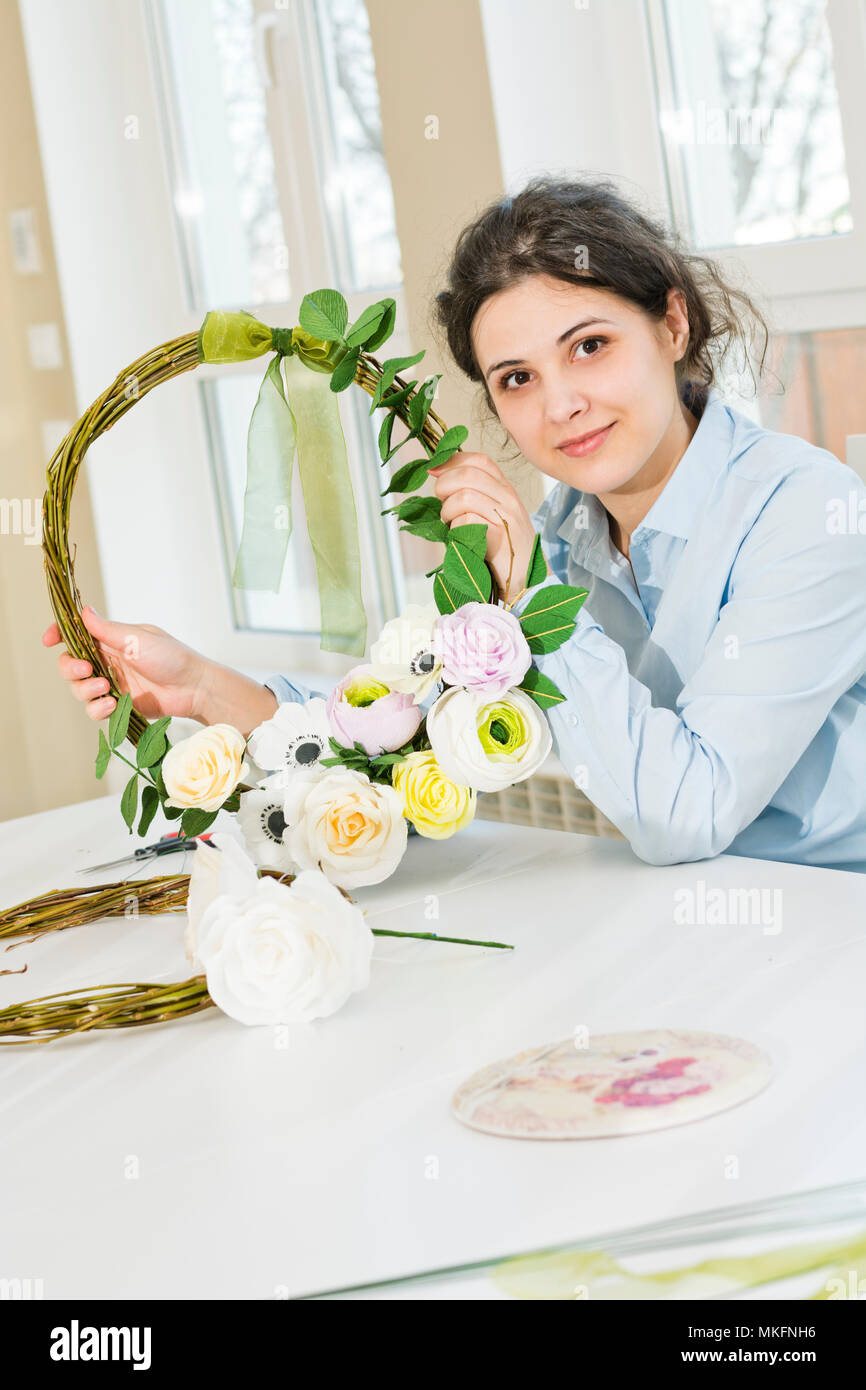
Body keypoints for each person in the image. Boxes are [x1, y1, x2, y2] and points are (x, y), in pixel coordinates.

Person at [44, 175, 866, 872]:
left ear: (673, 325)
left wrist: (532, 595)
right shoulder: (568, 533)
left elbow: (688, 814)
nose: (560, 404)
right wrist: (201, 687)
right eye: (516, 377)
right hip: (688, 918)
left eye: (589, 346)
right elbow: (397, 735)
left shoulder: (806, 517)